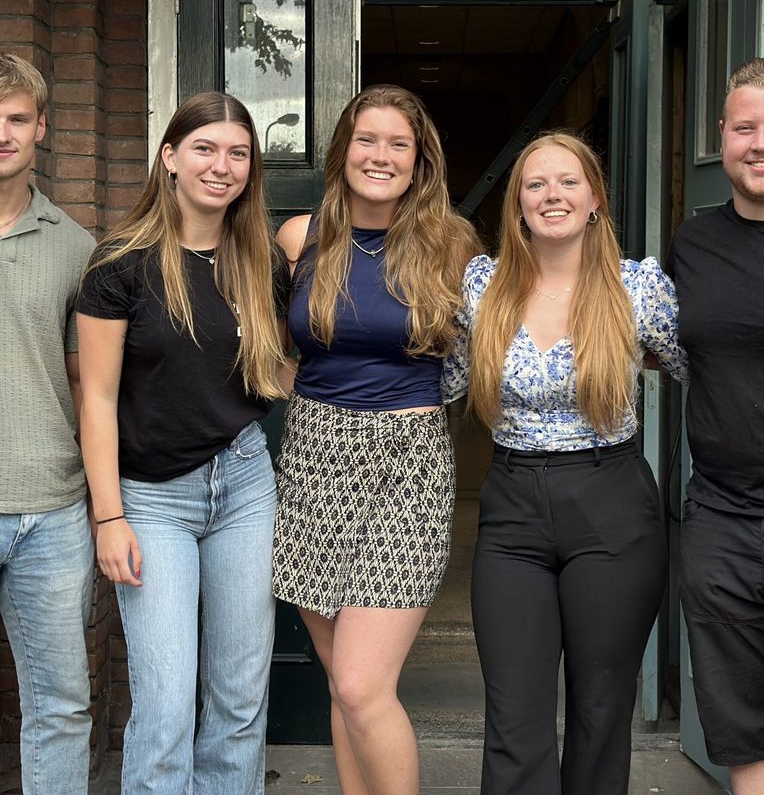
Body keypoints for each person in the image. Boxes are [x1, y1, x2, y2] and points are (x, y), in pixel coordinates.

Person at [443, 132, 687, 795]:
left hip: (613, 506)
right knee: (514, 717)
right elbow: (442, 382)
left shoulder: (638, 288)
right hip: (513, 508)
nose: (552, 195)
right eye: (536, 184)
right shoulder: (483, 285)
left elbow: (708, 369)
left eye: (568, 181)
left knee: (600, 712)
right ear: (518, 205)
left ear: (595, 199)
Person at [272, 83, 480, 795]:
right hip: (312, 459)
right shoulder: (301, 239)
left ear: (420, 160)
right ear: (343, 150)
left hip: (407, 464)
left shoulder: (452, 246)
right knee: (343, 684)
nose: (380, 155)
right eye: (367, 139)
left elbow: (481, 354)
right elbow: (268, 346)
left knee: (363, 685)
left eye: (399, 143)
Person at [77, 91, 288, 794]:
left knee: (238, 699)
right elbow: (96, 398)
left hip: (245, 485)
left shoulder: (260, 262)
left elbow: (277, 369)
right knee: (166, 705)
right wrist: (109, 516)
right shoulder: (120, 264)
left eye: (238, 153)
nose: (221, 166)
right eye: (205, 149)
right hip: (151, 501)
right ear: (169, 156)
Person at [669, 57, 764, 795]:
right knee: (749, 741)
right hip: (721, 523)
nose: (762, 144)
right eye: (746, 127)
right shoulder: (693, 245)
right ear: (721, 135)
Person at [0, 53, 95, 794]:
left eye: (16, 118)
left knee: (60, 706)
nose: (2, 133)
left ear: (42, 129)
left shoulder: (75, 245)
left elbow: (86, 381)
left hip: (52, 512)